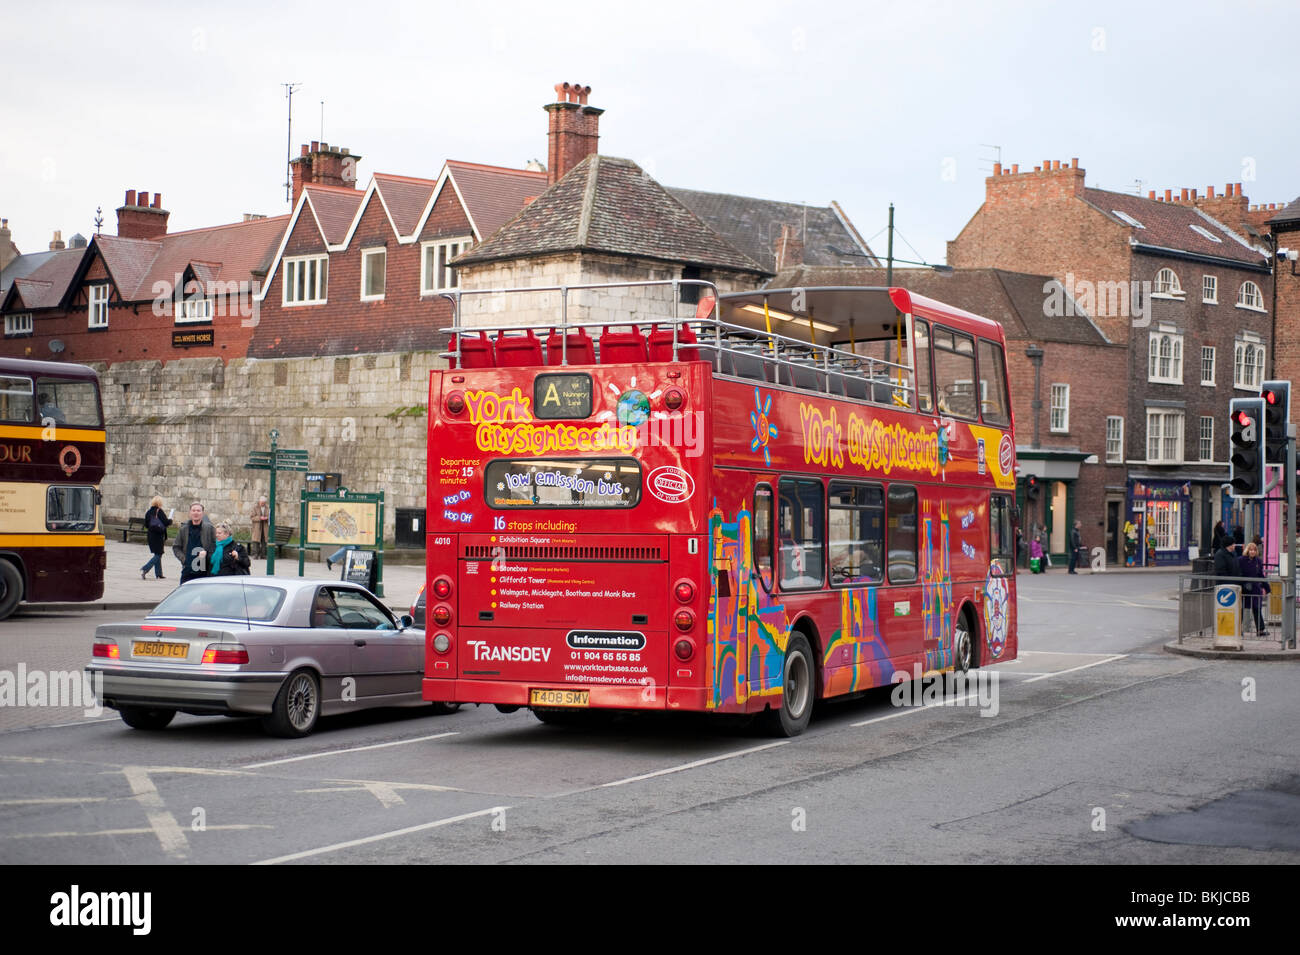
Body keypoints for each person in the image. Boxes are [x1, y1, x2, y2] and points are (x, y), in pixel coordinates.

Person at [172, 501, 215, 584]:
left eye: (198, 511)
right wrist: (184, 559)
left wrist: (207, 553)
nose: (196, 513)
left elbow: (216, 545)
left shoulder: (209, 528)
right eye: (193, 510)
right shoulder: (183, 530)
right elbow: (176, 547)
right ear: (190, 513)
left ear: (202, 513)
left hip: (204, 571)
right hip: (188, 570)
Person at [1238, 542, 1269, 637]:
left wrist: (1266, 587)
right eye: (1251, 550)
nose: (1252, 552)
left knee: (1257, 608)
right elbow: (1238, 573)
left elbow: (1260, 575)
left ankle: (1260, 630)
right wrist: (1242, 584)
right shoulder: (1241, 560)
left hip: (1255, 588)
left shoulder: (1258, 561)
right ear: (1247, 550)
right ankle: (1238, 630)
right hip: (1244, 588)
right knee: (1241, 609)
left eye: (1254, 550)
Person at [139, 496, 172, 580]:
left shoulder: (148, 512)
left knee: (157, 553)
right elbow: (165, 522)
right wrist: (170, 520)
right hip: (158, 535)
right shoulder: (159, 511)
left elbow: (146, 524)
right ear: (160, 503)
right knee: (158, 554)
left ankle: (159, 573)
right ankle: (145, 568)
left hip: (150, 535)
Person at [249, 495, 269, 559]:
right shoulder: (255, 508)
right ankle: (255, 554)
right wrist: (260, 518)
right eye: (261, 503)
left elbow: (270, 516)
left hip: (265, 527)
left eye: (263, 503)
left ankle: (263, 555)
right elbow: (252, 517)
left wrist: (266, 518)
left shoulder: (267, 508)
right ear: (259, 502)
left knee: (264, 541)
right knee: (256, 541)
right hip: (257, 527)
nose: (262, 504)